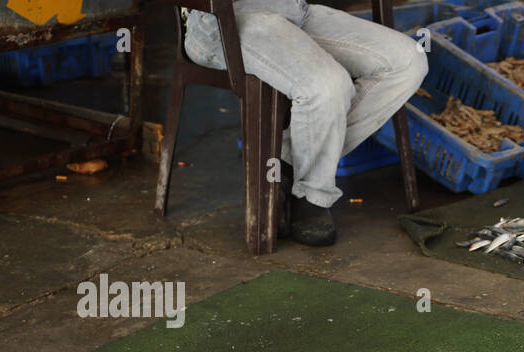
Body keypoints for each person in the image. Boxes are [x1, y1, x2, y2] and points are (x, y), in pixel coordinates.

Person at [183, 1, 427, 246]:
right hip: (223, 19)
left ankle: (287, 162)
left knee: (408, 61)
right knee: (328, 85)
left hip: (292, 10)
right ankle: (312, 195)